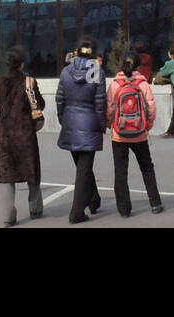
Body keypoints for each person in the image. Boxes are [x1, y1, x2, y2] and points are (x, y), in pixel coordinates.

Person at [0, 47, 44, 226]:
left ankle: (8, 216)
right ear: (22, 64)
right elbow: (40, 104)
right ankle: (35, 209)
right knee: (32, 173)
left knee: (7, 177)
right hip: (26, 134)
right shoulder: (29, 82)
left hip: (5, 137)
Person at [56, 38, 106, 223]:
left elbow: (60, 99)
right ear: (93, 53)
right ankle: (76, 212)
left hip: (70, 121)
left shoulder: (66, 71)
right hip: (89, 122)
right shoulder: (96, 71)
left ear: (76, 51)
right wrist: (102, 124)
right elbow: (100, 103)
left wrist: (64, 120)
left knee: (83, 167)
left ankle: (94, 200)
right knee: (84, 169)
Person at [107, 55, 164, 217]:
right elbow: (151, 109)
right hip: (139, 134)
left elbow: (109, 109)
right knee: (147, 167)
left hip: (119, 134)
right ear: (138, 66)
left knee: (120, 171)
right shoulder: (143, 83)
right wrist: (147, 126)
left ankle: (124, 209)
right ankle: (155, 203)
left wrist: (111, 125)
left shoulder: (115, 84)